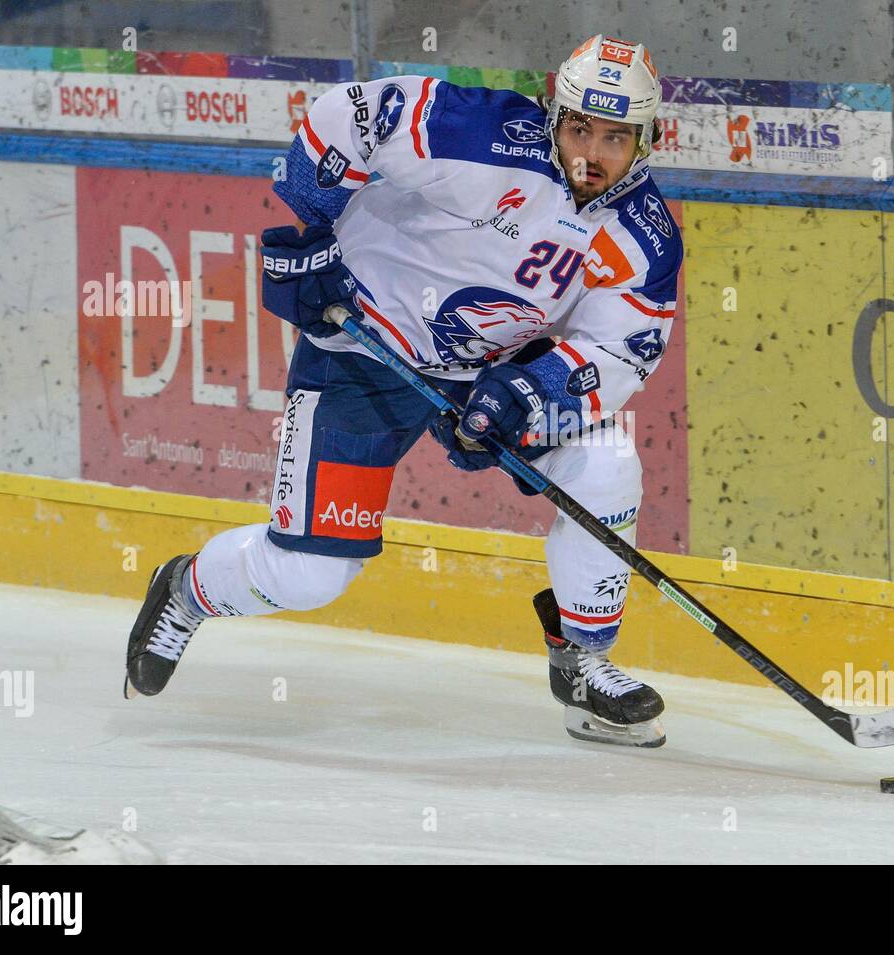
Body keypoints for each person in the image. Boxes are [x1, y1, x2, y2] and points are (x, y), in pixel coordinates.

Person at [123, 35, 683, 748]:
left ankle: (581, 662)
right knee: (311, 574)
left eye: (614, 137)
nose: (590, 155)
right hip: (360, 345)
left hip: (487, 373)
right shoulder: (484, 134)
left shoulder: (646, 237)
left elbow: (616, 349)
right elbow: (353, 114)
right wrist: (313, 232)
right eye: (578, 128)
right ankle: (186, 590)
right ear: (554, 117)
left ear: (648, 140)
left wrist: (530, 393)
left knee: (606, 463)